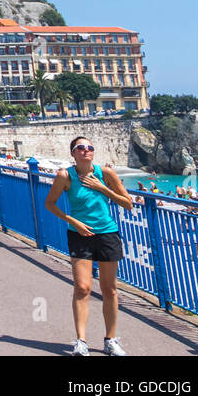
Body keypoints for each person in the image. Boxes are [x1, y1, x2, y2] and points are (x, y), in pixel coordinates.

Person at [44, 136, 133, 357]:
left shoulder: (106, 174)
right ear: (73, 153)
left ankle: (110, 340)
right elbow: (50, 203)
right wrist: (73, 221)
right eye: (80, 148)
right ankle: (81, 341)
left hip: (107, 234)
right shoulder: (66, 176)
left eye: (89, 147)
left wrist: (103, 188)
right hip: (80, 235)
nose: (86, 150)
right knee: (83, 288)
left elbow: (128, 203)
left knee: (109, 289)